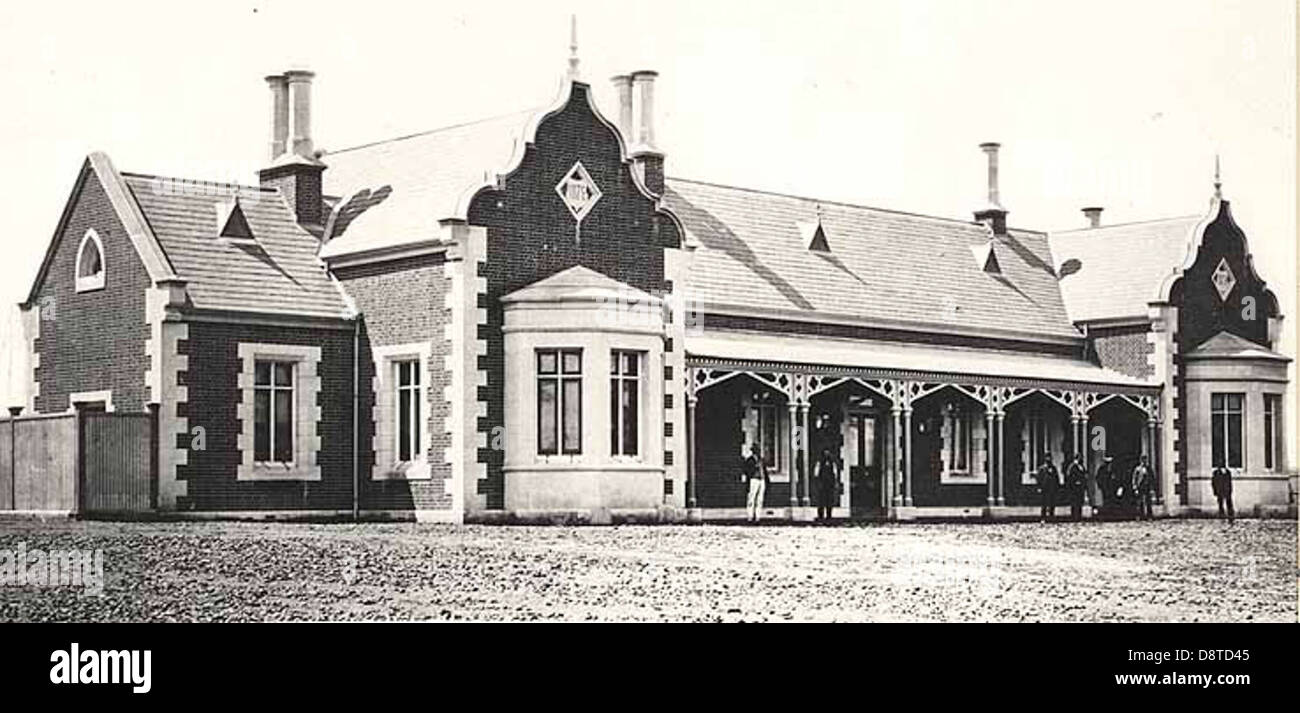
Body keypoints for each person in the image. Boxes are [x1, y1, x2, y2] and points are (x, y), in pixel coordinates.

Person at [741, 443, 768, 523]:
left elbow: (764, 470)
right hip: (753, 479)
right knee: (751, 498)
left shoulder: (761, 460)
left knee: (760, 499)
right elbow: (746, 471)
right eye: (756, 450)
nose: (757, 451)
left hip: (761, 480)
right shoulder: (749, 460)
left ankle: (758, 517)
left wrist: (766, 479)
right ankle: (750, 516)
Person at [814, 447, 840, 522]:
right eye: (825, 452)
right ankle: (820, 516)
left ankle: (829, 515)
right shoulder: (820, 462)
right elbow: (816, 473)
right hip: (822, 484)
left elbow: (835, 473)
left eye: (828, 452)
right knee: (821, 500)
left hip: (830, 484)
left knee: (829, 500)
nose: (826, 453)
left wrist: (835, 482)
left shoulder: (832, 462)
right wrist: (818, 482)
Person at [1035, 451, 1059, 522]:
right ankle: (1043, 517)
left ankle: (1051, 517)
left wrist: (1057, 486)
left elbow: (1056, 478)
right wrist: (1039, 487)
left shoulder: (1054, 468)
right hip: (1044, 488)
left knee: (1052, 503)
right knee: (1044, 504)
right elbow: (1039, 478)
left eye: (1050, 457)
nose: (1049, 459)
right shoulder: (1042, 468)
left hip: (1052, 488)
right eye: (1047, 457)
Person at [1064, 453, 1087, 521]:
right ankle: (1074, 516)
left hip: (1080, 488)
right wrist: (1074, 483)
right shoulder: (1072, 467)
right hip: (1074, 488)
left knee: (1079, 502)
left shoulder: (1081, 466)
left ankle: (1079, 516)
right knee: (1074, 503)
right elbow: (1069, 477)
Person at [1131, 455, 1154, 520]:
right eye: (1143, 460)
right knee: (1139, 502)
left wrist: (1152, 488)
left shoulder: (1149, 469)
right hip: (1140, 487)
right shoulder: (1137, 469)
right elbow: (1134, 479)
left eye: (1145, 460)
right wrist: (1135, 488)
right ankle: (1139, 515)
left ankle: (1149, 516)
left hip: (1147, 487)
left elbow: (1152, 479)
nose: (1144, 461)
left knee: (1148, 502)